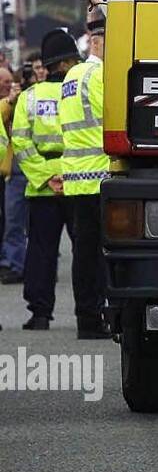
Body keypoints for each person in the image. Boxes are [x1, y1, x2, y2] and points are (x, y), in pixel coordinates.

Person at [12, 29, 79, 331]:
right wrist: (66, 175)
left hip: (42, 189)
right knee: (86, 252)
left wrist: (46, 176)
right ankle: (90, 313)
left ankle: (40, 314)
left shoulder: (29, 97)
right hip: (79, 182)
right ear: (66, 63)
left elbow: (21, 143)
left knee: (41, 252)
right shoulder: (81, 92)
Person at [58, 6, 111, 339]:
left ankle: (86, 320)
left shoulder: (71, 77)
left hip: (76, 177)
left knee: (82, 254)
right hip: (101, 175)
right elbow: (115, 117)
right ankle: (100, 316)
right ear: (97, 43)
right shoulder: (100, 76)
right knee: (102, 255)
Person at [1, 63, 33, 286]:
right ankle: (13, 264)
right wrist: (11, 101)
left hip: (29, 168)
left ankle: (22, 264)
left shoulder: (28, 99)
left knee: (30, 224)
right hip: (11, 172)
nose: (4, 86)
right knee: (12, 223)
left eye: (6, 82)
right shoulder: (6, 104)